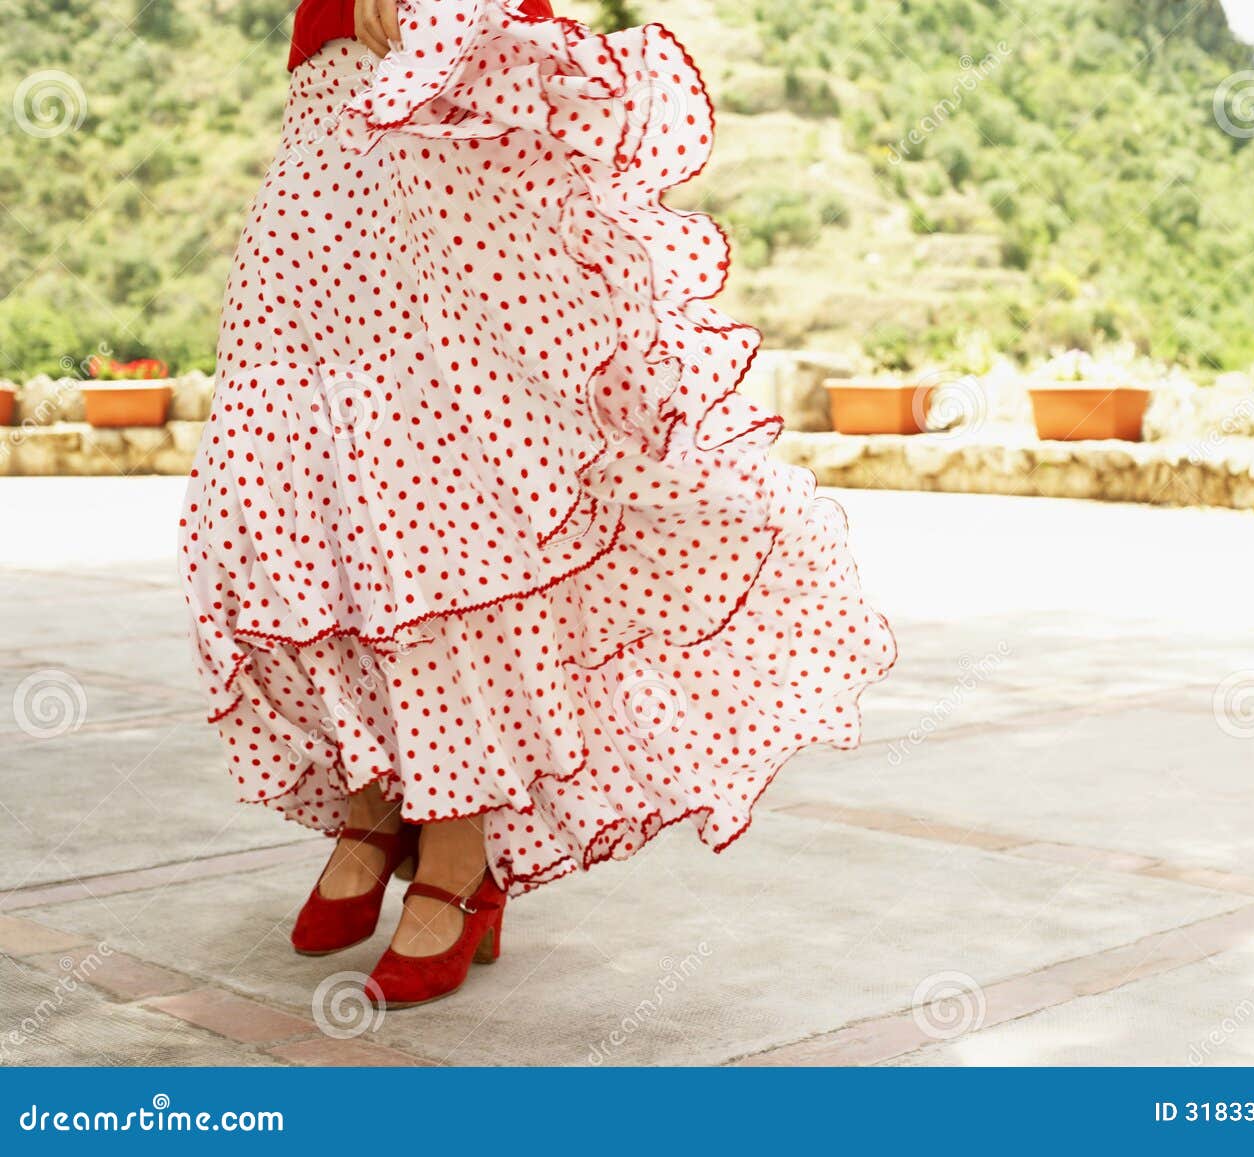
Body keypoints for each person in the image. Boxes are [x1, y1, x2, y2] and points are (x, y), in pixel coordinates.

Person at [178, 0, 895, 1009]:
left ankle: (456, 849)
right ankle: (380, 798)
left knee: (444, 498)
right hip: (330, 109)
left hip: (466, 90)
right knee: (285, 481)